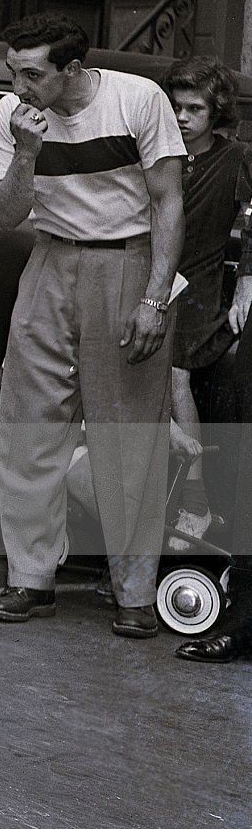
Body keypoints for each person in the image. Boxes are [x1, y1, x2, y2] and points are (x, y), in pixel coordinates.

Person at [0, 14, 183, 638]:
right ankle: (31, 578)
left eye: (33, 73)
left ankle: (134, 592)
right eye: (13, 71)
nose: (21, 85)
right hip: (50, 257)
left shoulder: (136, 99)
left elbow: (168, 200)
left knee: (125, 433)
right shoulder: (12, 116)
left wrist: (154, 299)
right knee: (29, 422)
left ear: (72, 69)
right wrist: (27, 151)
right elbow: (6, 216)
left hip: (127, 261)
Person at [160, 56, 252, 544]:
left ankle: (195, 501)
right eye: (175, 106)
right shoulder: (155, 150)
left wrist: (246, 282)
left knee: (174, 376)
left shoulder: (236, 157)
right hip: (146, 277)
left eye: (194, 108)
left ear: (214, 111)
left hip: (196, 287)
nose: (181, 117)